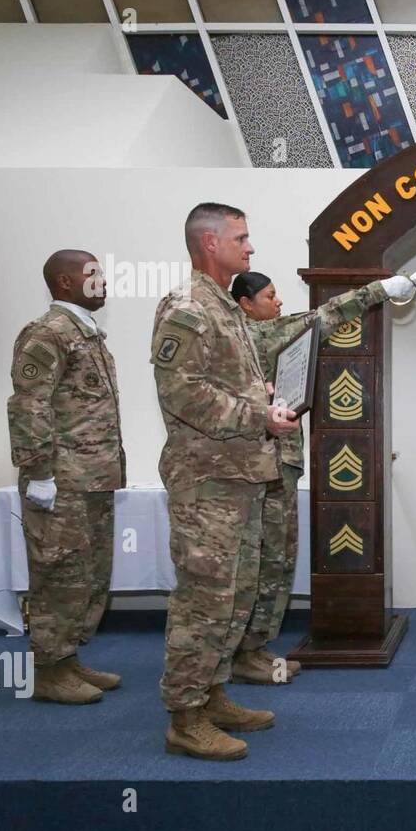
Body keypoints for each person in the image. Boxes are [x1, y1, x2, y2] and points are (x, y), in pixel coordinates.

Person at [151, 202, 300, 761]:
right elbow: (182, 393)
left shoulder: (228, 310)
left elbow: (231, 385)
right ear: (209, 244)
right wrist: (255, 415)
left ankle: (212, 693)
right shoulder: (188, 308)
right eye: (241, 237)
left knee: (234, 596)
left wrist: (263, 402)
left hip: (240, 475)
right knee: (203, 600)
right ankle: (185, 718)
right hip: (205, 479)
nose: (250, 247)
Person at [229, 269, 415, 684]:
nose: (277, 303)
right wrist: (379, 291)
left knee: (274, 564)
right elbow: (323, 316)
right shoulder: (255, 336)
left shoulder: (257, 339)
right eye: (270, 296)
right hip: (255, 471)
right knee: (258, 565)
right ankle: (243, 653)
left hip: (276, 468)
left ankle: (253, 651)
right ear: (246, 304)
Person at [7, 250, 125, 704]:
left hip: (92, 479)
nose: (103, 281)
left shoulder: (89, 335)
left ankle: (68, 659)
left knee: (89, 574)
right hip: (62, 481)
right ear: (63, 282)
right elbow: (28, 405)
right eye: (92, 274)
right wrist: (38, 471)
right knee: (59, 573)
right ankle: (48, 670)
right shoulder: (47, 333)